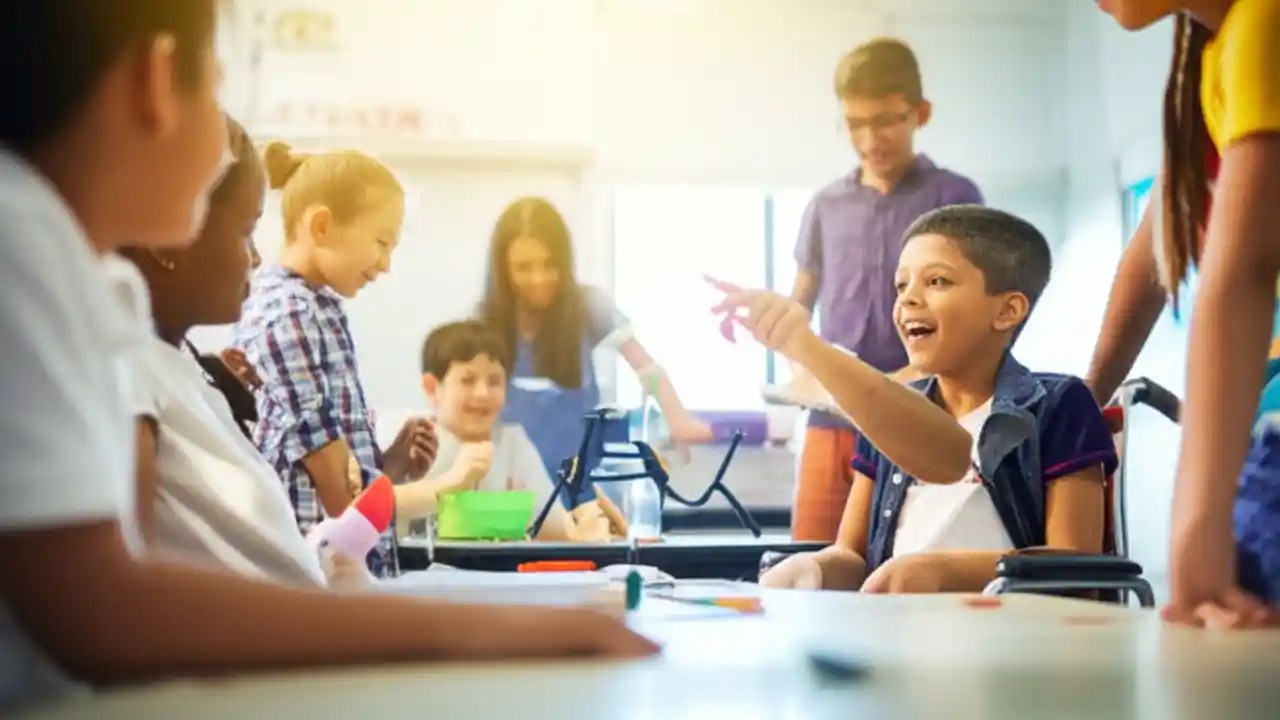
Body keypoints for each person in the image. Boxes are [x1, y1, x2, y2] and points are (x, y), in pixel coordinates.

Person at [0, 6, 652, 711]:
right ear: (158, 81)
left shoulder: (102, 290)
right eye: (217, 81)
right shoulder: (26, 237)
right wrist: (483, 627)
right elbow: (104, 608)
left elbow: (299, 544)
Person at [712, 206, 1114, 593]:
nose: (908, 299)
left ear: (1008, 310)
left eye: (936, 281)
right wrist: (810, 570)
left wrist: (940, 571)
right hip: (900, 633)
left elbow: (1073, 565)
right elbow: (853, 557)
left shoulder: (1059, 404)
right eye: (902, 285)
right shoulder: (886, 412)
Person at [1092, 0, 1280, 628]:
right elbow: (1159, 243)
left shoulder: (1264, 21)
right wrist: (1086, 397)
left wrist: (1197, 519)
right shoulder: (1213, 54)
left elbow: (1243, 272)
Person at [787, 38, 984, 542]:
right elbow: (797, 309)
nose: (870, 138)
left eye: (886, 121)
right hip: (830, 421)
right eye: (855, 124)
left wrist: (902, 380)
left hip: (920, 415)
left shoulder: (955, 198)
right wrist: (804, 373)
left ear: (921, 113)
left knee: (899, 569)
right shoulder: (825, 205)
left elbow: (970, 321)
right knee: (813, 560)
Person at [232, 142, 437, 577]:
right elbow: (337, 492)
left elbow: (335, 467)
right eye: (381, 243)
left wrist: (390, 465)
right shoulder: (291, 314)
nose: (384, 265)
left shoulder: (316, 308)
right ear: (321, 226)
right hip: (322, 576)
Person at [478, 197, 711, 501]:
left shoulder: (589, 307)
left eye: (550, 265)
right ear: (502, 270)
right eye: (524, 267)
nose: (538, 278)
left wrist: (676, 416)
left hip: (584, 493)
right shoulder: (486, 323)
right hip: (513, 496)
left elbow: (646, 368)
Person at [413, 320, 618, 541]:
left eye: (494, 381)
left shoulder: (513, 442)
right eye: (467, 380)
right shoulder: (416, 442)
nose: (482, 393)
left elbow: (552, 523)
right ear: (432, 388)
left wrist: (589, 524)